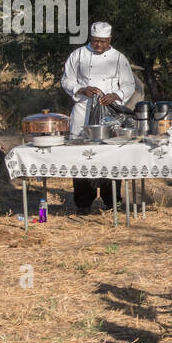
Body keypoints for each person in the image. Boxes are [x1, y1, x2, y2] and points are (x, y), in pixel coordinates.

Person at [61, 21, 137, 214]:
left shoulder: (119, 58)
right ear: (90, 39)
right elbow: (66, 79)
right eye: (95, 41)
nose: (98, 45)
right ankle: (83, 203)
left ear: (109, 40)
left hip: (108, 113)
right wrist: (81, 88)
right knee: (81, 156)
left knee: (110, 155)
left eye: (103, 42)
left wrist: (116, 95)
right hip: (82, 112)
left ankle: (112, 201)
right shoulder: (78, 55)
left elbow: (128, 84)